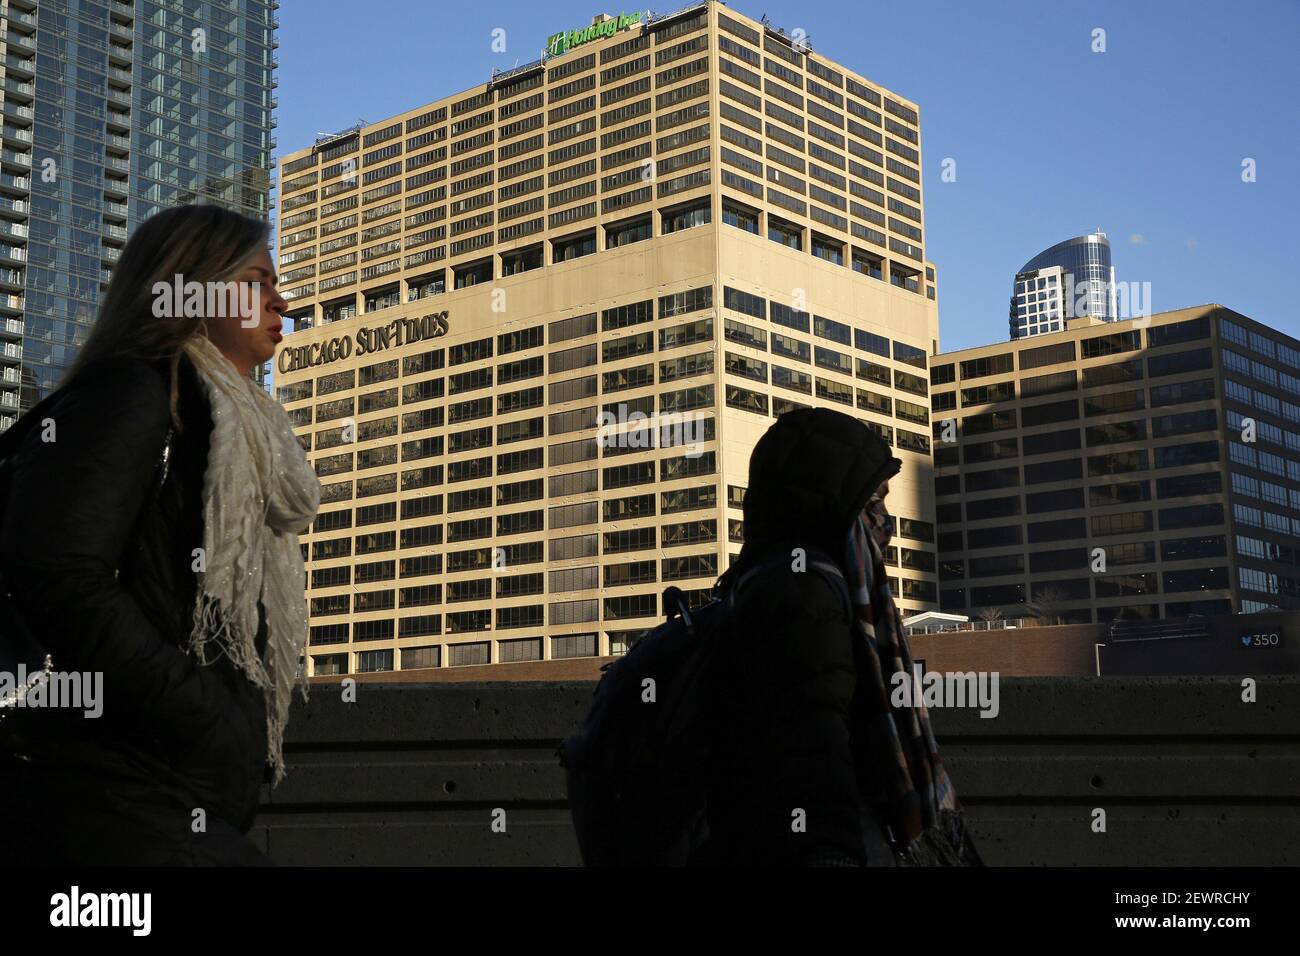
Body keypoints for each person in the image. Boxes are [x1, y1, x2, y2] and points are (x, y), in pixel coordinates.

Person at [0, 205, 320, 865]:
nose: (281, 303)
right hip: (93, 792)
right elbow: (59, 576)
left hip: (148, 794)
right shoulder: (133, 395)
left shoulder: (215, 422)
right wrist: (204, 717)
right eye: (259, 281)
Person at [691, 407, 981, 866]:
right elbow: (812, 761)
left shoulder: (777, 580)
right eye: (874, 503)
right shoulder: (804, 594)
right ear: (836, 503)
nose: (886, 523)